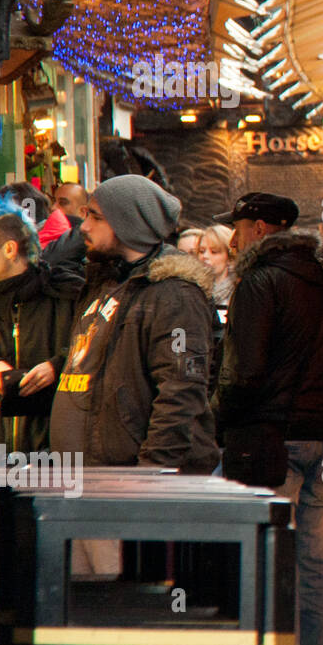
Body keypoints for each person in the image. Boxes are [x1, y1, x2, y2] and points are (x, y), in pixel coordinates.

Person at [214, 191, 323, 645]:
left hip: (271, 440)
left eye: (237, 226)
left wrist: (220, 416)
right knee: (315, 560)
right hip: (320, 438)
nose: (232, 237)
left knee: (274, 557)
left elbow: (245, 371)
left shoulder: (258, 282)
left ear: (257, 228)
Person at [48, 175, 219, 471]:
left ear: (128, 225)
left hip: (130, 480)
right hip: (89, 474)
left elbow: (181, 394)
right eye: (86, 213)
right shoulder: (104, 279)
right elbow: (55, 262)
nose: (84, 226)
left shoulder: (175, 294)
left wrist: (151, 475)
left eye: (96, 217)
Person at [0, 197, 83, 455]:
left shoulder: (67, 293)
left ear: (10, 249)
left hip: (55, 451)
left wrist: (57, 366)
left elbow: (95, 350)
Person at [197, 224, 235, 307]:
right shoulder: (190, 288)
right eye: (201, 251)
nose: (205, 256)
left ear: (229, 257)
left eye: (214, 251)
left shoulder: (238, 290)